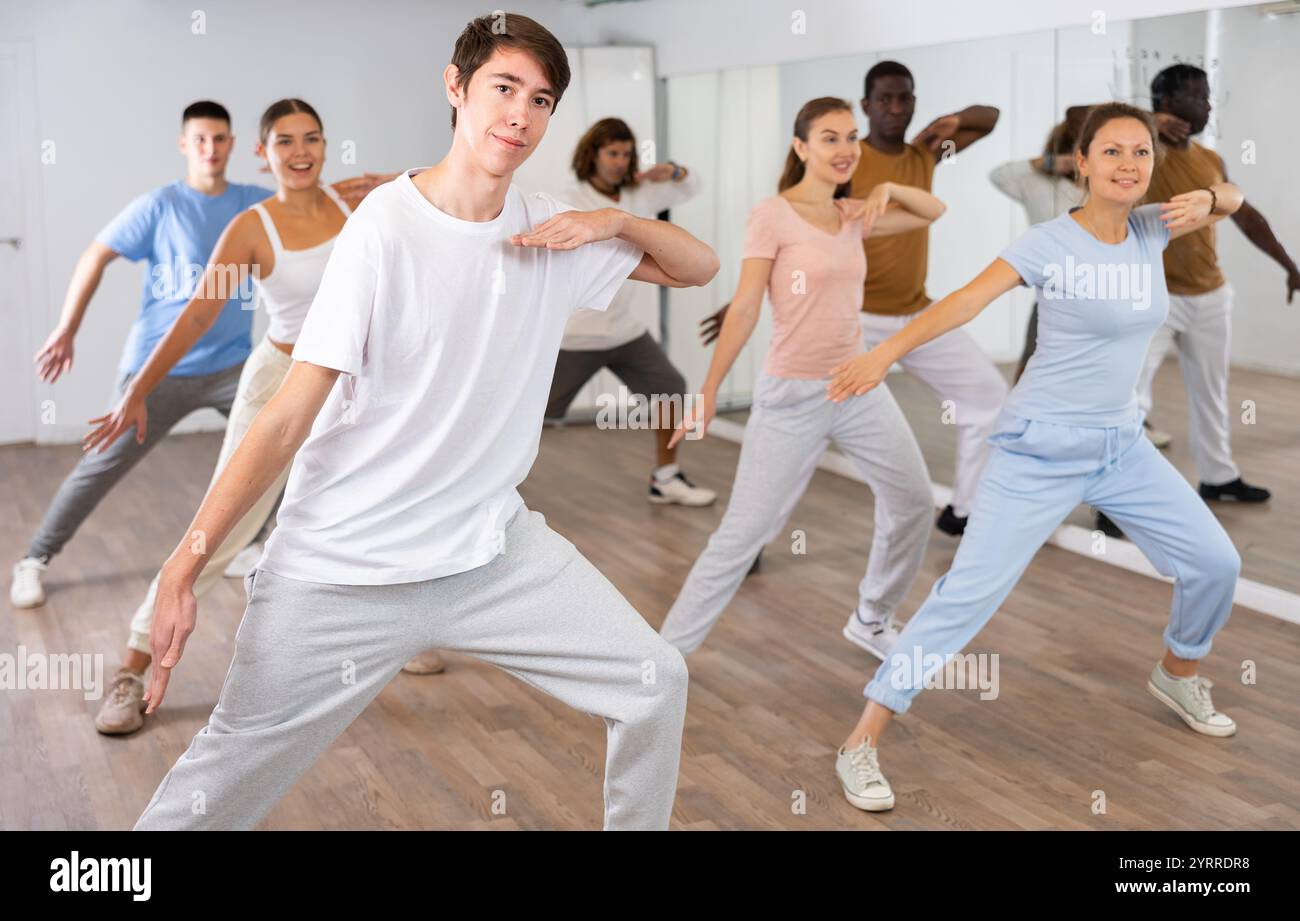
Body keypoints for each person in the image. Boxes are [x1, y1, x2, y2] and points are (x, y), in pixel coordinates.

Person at [133, 12, 717, 831]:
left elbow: (700, 267)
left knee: (656, 680)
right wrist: (184, 565)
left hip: (490, 554)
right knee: (219, 784)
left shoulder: (551, 228)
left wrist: (612, 219)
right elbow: (285, 416)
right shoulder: (382, 229)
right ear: (456, 87)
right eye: (503, 88)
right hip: (344, 566)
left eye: (541, 100)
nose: (520, 114)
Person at [823, 103, 1242, 813]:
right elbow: (962, 302)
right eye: (1111, 152)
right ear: (1081, 163)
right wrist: (885, 351)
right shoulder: (1050, 243)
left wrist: (1214, 196)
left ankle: (1178, 669)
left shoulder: (1153, 227)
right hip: (1039, 449)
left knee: (1216, 562)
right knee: (968, 597)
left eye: (1140, 152)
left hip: (1120, 445)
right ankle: (860, 740)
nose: (1129, 164)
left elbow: (1233, 201)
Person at [80, 99, 418, 735]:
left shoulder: (355, 201)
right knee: (222, 526)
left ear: (325, 145)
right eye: (284, 141)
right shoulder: (251, 227)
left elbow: (441, 183)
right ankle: (132, 663)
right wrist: (138, 390)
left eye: (311, 138)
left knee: (390, 501)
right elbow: (198, 316)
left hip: (356, 382)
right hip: (283, 380)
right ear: (262, 153)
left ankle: (408, 630)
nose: (299, 151)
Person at [9, 101, 386, 609]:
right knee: (102, 463)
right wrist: (68, 327)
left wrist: (381, 183)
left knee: (285, 446)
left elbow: (314, 196)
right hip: (163, 366)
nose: (210, 148)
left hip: (233, 366)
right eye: (200, 139)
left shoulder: (258, 201)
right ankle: (35, 558)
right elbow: (97, 256)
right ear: (185, 145)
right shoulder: (160, 206)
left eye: (220, 139)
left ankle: (250, 543)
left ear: (237, 146)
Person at [661, 97, 944, 665]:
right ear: (801, 148)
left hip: (857, 383)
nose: (845, 150)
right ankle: (661, 660)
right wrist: (710, 390)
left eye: (851, 138)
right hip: (792, 393)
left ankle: (872, 618)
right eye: (830, 138)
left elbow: (932, 210)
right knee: (743, 535)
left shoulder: (852, 215)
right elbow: (744, 308)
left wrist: (890, 192)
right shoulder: (772, 215)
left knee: (914, 501)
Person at [705, 61, 1004, 548]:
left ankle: (962, 511)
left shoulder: (925, 153)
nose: (894, 107)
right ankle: (752, 540)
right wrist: (747, 297)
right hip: (854, 323)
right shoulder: (846, 155)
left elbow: (989, 118)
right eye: (883, 99)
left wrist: (953, 122)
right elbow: (792, 234)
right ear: (865, 107)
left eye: (904, 98)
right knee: (804, 442)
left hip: (916, 313)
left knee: (988, 396)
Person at [1136, 64, 1297, 505]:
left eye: (1207, 97)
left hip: (1210, 294)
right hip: (1155, 296)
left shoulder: (1210, 159)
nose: (1206, 105)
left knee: (1211, 392)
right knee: (1131, 401)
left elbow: (1244, 214)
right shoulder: (1138, 149)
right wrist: (1145, 124)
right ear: (1166, 102)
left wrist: (1289, 265)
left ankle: (1218, 476)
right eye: (1196, 96)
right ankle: (1117, 495)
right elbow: (1081, 121)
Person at [545, 118, 715, 506]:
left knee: (670, 389)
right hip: (575, 335)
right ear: (593, 155)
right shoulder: (569, 199)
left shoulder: (641, 195)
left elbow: (692, 186)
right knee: (530, 413)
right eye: (612, 153)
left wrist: (671, 170)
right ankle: (490, 491)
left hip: (625, 332)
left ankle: (666, 478)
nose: (620, 162)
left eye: (626, 154)